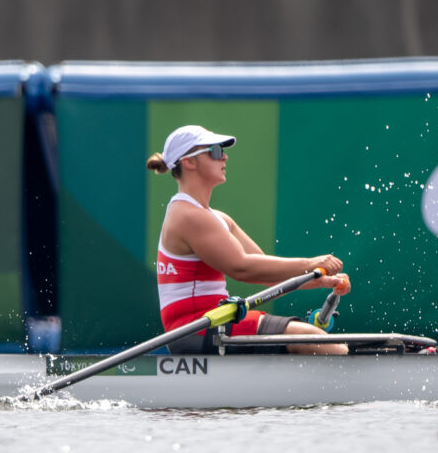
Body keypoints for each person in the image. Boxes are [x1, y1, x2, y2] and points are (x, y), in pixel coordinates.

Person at [146, 125, 349, 355]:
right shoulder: (186, 215)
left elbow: (268, 275)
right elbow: (242, 268)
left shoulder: (219, 219)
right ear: (189, 162)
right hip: (196, 329)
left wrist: (322, 280)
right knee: (320, 342)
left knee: (320, 342)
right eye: (214, 151)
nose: (224, 156)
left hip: (217, 321)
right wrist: (310, 264)